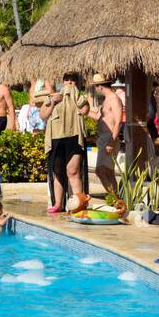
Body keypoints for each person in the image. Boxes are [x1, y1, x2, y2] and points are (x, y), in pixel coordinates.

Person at [43, 72, 91, 213]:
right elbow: (43, 115)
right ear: (62, 82)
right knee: (57, 171)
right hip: (56, 138)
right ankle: (58, 204)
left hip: (74, 137)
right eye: (67, 80)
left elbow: (85, 111)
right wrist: (52, 102)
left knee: (73, 171)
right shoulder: (53, 97)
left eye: (73, 81)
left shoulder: (80, 98)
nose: (70, 83)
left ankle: (79, 204)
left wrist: (76, 97)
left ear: (77, 83)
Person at [92, 76, 124, 196]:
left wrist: (112, 141)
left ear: (100, 86)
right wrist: (84, 111)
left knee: (100, 170)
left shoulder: (114, 99)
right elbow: (98, 117)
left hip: (109, 138)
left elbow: (118, 121)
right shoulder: (106, 99)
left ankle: (114, 198)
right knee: (108, 172)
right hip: (104, 138)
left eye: (95, 86)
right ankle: (115, 198)